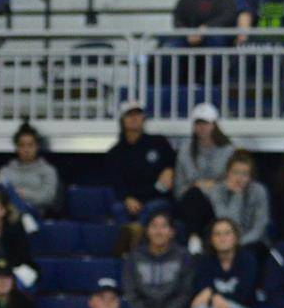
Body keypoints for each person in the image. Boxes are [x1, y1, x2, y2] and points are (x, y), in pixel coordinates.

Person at [122, 210, 196, 308]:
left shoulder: (183, 256)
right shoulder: (134, 257)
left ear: (172, 232)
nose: (159, 231)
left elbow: (186, 292)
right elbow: (131, 293)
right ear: (147, 231)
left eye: (164, 226)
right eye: (154, 226)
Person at [172, 103, 233, 242]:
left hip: (218, 200)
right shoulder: (185, 151)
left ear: (214, 125)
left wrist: (201, 185)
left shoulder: (228, 150)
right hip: (190, 202)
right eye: (198, 123)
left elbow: (231, 183)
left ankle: (196, 239)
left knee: (197, 193)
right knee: (194, 195)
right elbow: (178, 188)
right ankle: (194, 239)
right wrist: (201, 186)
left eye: (205, 123)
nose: (202, 127)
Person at [106, 101, 176, 222]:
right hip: (132, 200)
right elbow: (116, 182)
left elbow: (174, 163)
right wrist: (127, 198)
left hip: (158, 198)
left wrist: (170, 169)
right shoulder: (115, 153)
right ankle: (132, 240)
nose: (134, 118)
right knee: (118, 209)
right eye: (129, 114)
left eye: (138, 114)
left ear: (143, 118)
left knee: (150, 209)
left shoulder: (159, 142)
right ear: (122, 120)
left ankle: (134, 240)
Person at [203, 148, 272, 251]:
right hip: (224, 240)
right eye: (235, 172)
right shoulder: (217, 191)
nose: (239, 178)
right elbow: (226, 223)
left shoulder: (259, 191)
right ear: (227, 173)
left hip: (253, 242)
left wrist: (238, 243)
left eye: (244, 174)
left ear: (250, 177)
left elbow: (259, 228)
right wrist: (237, 195)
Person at [0, 122, 61, 220]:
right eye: (22, 145)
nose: (26, 149)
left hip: (36, 215)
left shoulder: (48, 170)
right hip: (7, 214)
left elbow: (48, 197)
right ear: (17, 147)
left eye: (30, 145)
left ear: (37, 147)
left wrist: (24, 194)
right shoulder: (6, 170)